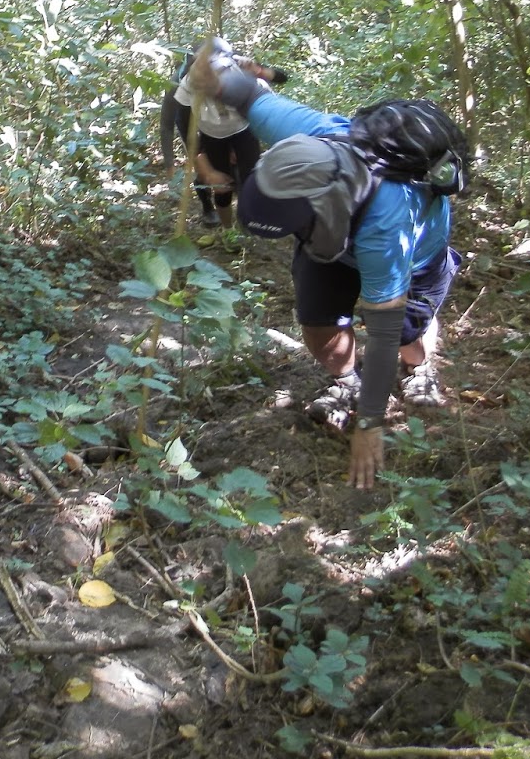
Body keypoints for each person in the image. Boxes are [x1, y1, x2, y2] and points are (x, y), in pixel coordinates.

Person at [190, 38, 466, 490]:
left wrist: (370, 424)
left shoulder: (386, 225)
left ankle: (418, 368)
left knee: (404, 332)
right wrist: (211, 73)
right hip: (329, 240)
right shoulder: (307, 131)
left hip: (414, 249)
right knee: (319, 323)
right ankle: (347, 381)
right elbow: (248, 93)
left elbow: (382, 325)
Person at [159, 48, 289, 229]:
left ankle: (249, 221)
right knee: (220, 184)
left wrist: (259, 70)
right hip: (211, 133)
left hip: (242, 128)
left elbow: (281, 78)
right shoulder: (183, 85)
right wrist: (202, 167)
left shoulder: (237, 66)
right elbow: (178, 128)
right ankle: (219, 220)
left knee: (250, 178)